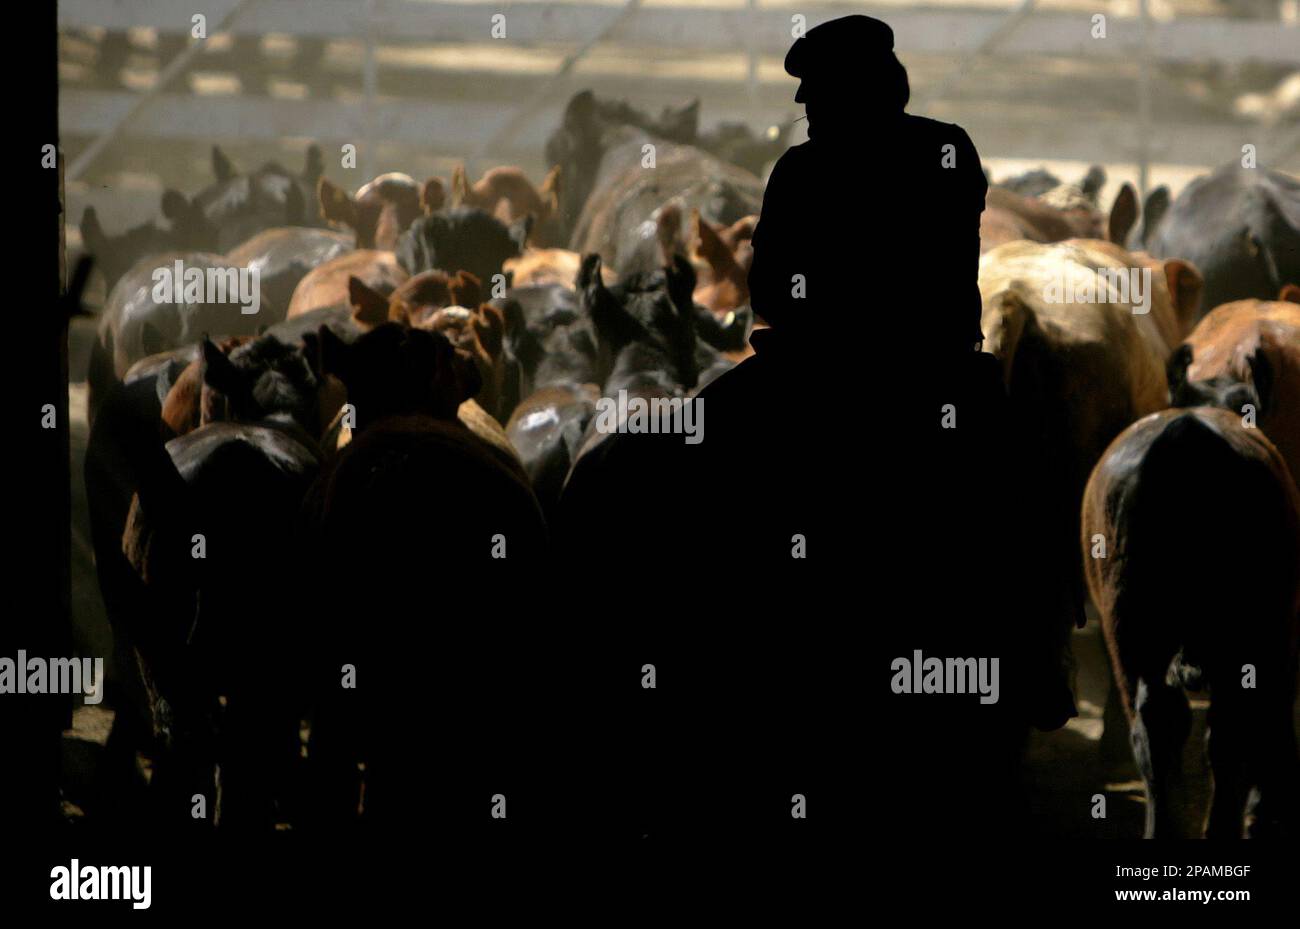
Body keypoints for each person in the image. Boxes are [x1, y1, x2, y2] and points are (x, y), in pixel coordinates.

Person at [558, 15, 1072, 840]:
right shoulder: (951, 151)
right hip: (935, 385)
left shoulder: (801, 169)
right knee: (1035, 478)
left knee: (629, 462)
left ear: (849, 92)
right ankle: (1040, 658)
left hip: (808, 383)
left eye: (814, 90)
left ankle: (609, 671)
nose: (802, 102)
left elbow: (776, 296)